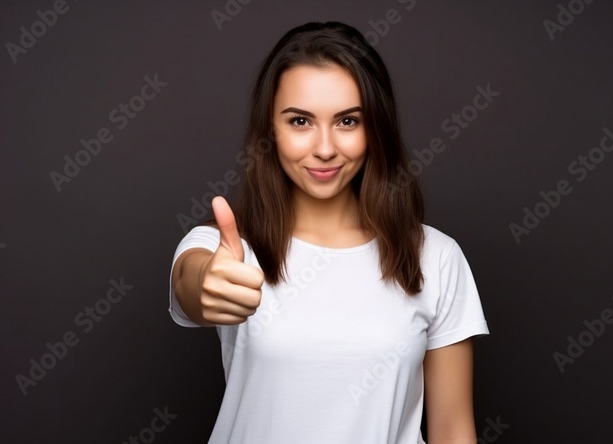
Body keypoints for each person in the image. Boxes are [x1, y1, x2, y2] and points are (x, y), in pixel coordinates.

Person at [168, 21, 490, 443]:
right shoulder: (225, 247)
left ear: (375, 128)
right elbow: (191, 282)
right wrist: (205, 284)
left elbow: (452, 430)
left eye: (347, 121)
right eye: (300, 121)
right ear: (271, 130)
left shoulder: (436, 257)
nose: (324, 148)